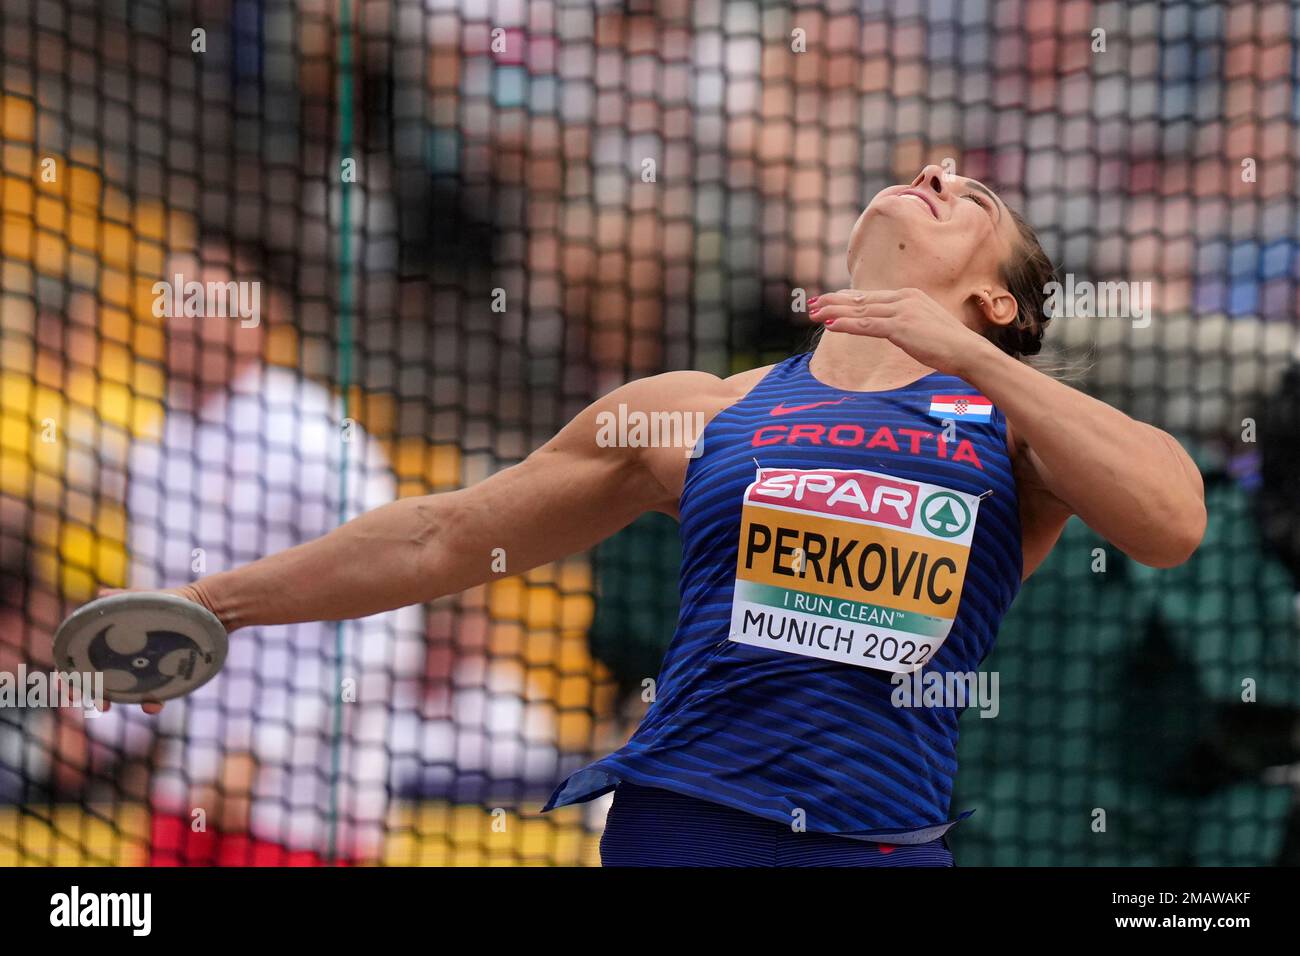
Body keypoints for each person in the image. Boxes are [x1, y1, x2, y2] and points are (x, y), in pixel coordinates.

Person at [96, 166, 1207, 866]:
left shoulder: (1013, 436)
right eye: (932, 172)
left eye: (974, 198)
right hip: (678, 820)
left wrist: (962, 353)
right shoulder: (697, 412)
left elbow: (1169, 518)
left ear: (997, 300)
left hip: (873, 840)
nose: (936, 173)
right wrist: (211, 603)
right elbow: (445, 533)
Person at [85, 250, 425, 865]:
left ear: (256, 321)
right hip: (188, 783)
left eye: (203, 309)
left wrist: (262, 751)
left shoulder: (317, 439)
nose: (181, 325)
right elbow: (154, 612)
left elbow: (389, 626)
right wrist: (99, 723)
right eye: (175, 307)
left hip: (306, 801)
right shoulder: (157, 448)